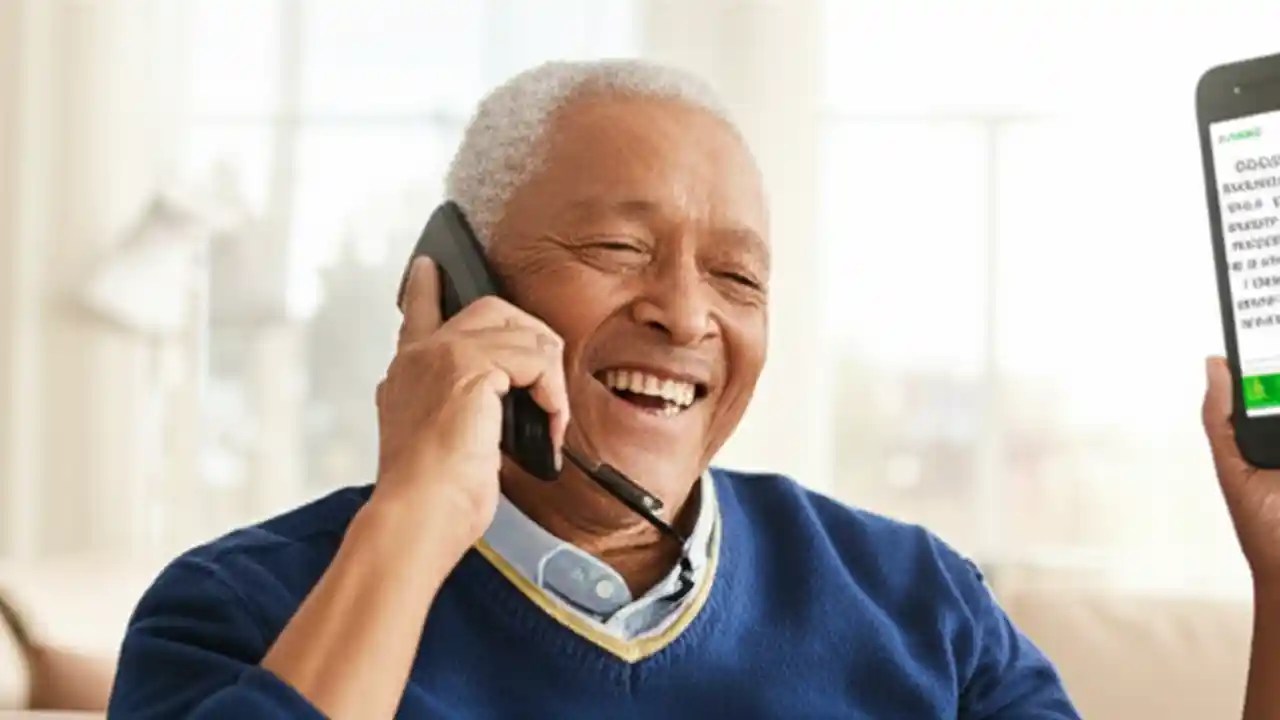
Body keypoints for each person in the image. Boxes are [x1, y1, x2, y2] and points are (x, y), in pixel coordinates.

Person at [104, 59, 1274, 719]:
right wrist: (412, 524)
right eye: (618, 250)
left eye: (736, 276)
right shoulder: (239, 614)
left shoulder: (919, 604)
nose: (685, 311)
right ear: (458, 285)